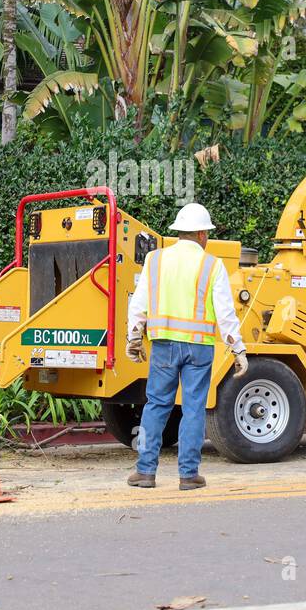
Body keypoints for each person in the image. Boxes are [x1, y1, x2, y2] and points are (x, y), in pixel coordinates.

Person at [125, 203, 249, 490]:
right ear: (203, 234)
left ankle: (145, 472)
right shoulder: (212, 264)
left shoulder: (155, 260)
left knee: (156, 405)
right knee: (193, 408)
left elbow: (139, 303)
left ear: (179, 232)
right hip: (198, 347)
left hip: (164, 346)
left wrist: (134, 337)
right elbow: (225, 313)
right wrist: (238, 350)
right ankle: (188, 475)